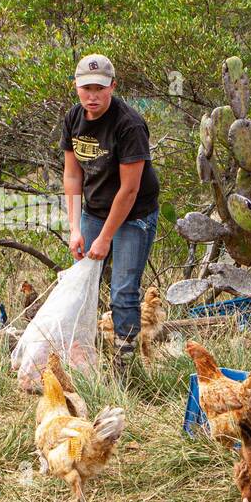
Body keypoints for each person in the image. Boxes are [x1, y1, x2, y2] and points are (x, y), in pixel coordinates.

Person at [61, 54, 161, 370]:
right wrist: (75, 227)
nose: (92, 96)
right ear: (76, 87)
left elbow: (129, 190)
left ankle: (125, 366)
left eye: (99, 89)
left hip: (134, 214)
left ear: (112, 87)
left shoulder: (128, 125)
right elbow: (73, 175)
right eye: (85, 88)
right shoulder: (73, 119)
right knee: (82, 282)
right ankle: (83, 357)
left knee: (123, 290)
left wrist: (105, 238)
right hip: (94, 209)